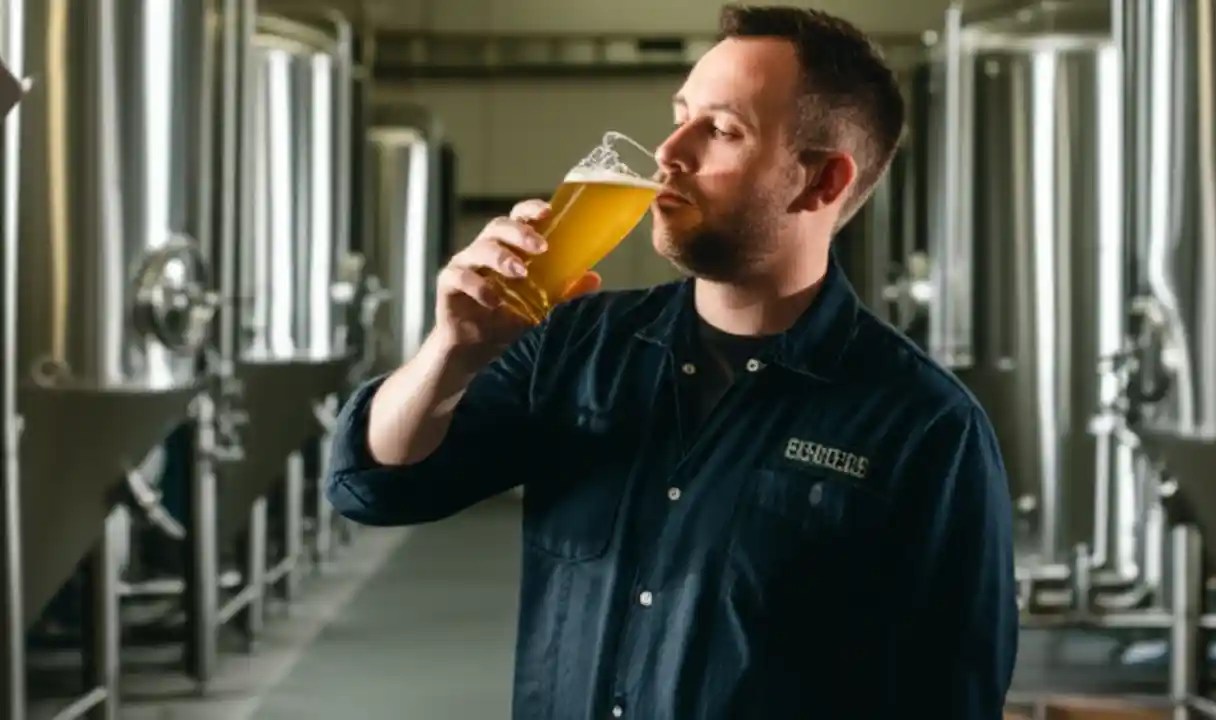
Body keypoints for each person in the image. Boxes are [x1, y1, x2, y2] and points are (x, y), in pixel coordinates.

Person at [326, 5, 1019, 718]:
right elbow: (377, 487)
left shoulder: (925, 426)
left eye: (720, 130)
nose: (670, 152)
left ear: (822, 184)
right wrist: (450, 354)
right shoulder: (575, 345)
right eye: (679, 114)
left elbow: (954, 696)